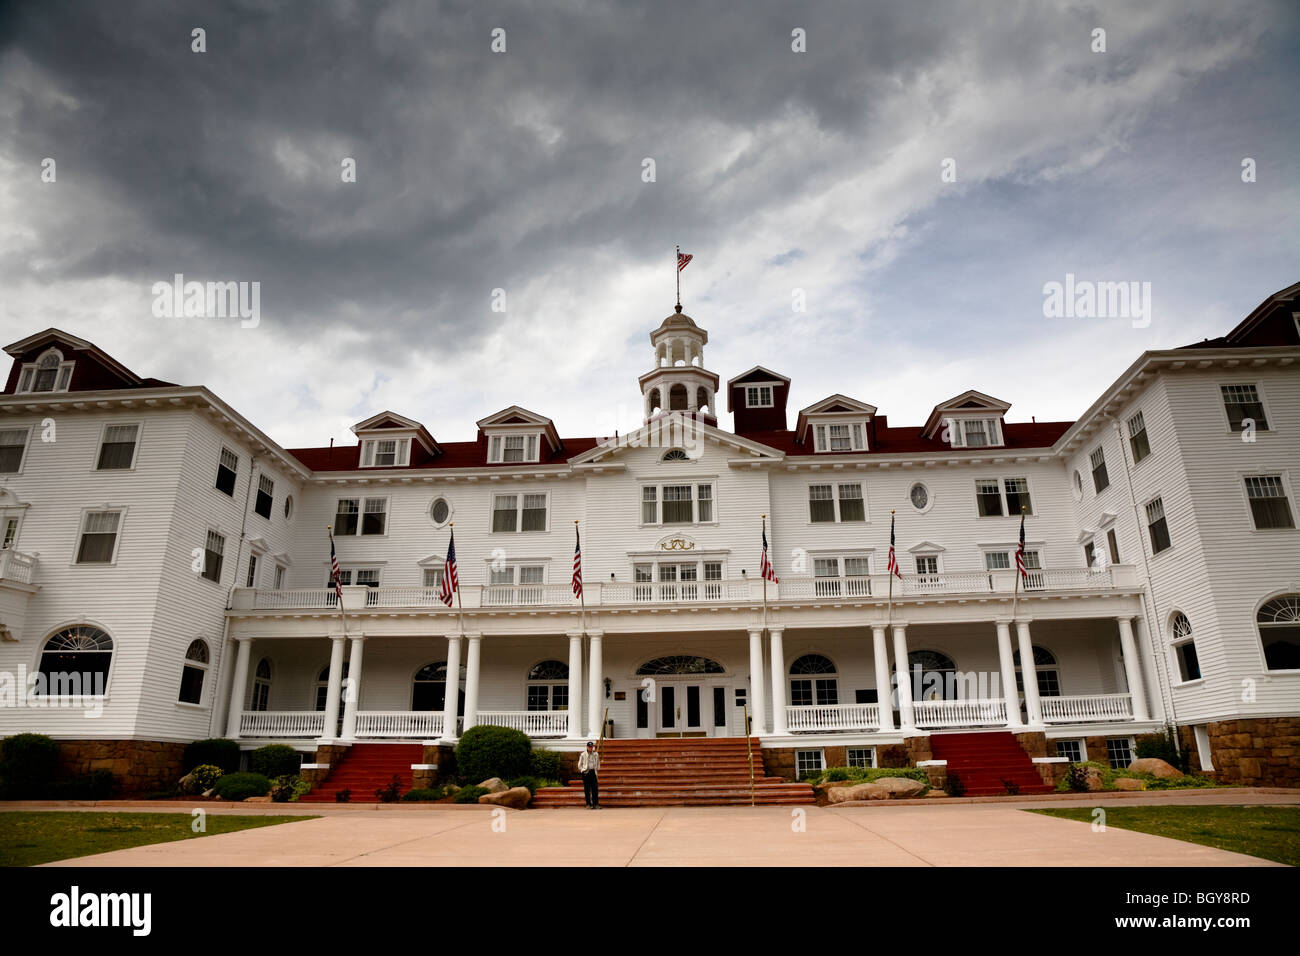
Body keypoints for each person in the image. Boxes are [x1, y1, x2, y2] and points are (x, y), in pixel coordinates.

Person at [578, 740, 601, 809]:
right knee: (587, 789)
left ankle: (595, 804)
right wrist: (582, 770)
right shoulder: (583, 754)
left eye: (591, 747)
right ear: (587, 747)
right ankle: (588, 804)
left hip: (593, 772)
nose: (590, 748)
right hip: (586, 773)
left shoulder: (596, 754)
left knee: (595, 789)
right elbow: (579, 765)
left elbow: (598, 763)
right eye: (589, 747)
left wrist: (596, 770)